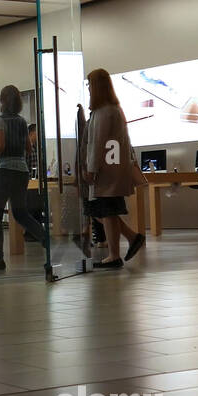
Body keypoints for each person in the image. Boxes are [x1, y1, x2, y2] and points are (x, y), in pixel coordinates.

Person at [83, 68, 145, 269]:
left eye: (90, 85)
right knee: (105, 212)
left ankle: (114, 254)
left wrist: (91, 169)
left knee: (106, 212)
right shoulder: (113, 110)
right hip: (113, 168)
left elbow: (97, 143)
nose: (89, 89)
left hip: (106, 172)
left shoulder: (103, 112)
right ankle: (130, 238)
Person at [0, 85, 43, 271]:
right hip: (22, 171)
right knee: (21, 213)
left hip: (4, 171)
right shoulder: (22, 122)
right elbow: (29, 149)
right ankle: (46, 239)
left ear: (2, 101)